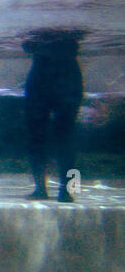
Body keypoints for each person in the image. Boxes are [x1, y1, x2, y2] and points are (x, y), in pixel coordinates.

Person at [23, 28, 85, 202]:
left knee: (37, 136)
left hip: (43, 77)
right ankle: (65, 191)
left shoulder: (38, 27)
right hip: (67, 77)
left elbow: (27, 45)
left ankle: (42, 189)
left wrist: (37, 46)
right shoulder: (69, 33)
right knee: (64, 136)